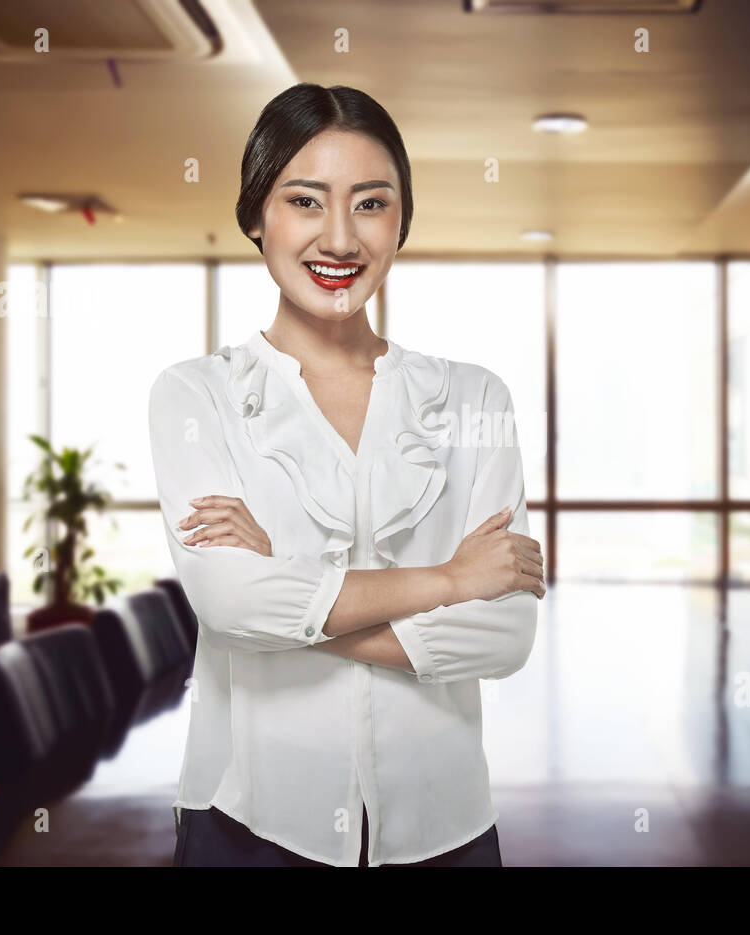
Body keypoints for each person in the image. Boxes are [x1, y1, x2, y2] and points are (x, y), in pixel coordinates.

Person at [148, 83, 545, 867]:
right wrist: (449, 579)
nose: (339, 238)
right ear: (256, 215)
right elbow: (230, 605)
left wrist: (288, 591)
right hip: (249, 826)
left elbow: (504, 633)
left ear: (400, 222)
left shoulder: (474, 397)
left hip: (445, 827)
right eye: (304, 201)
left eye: (371, 204)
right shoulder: (197, 396)